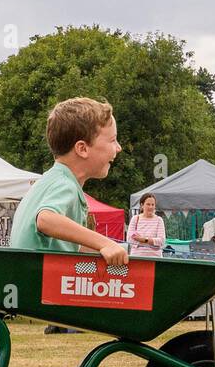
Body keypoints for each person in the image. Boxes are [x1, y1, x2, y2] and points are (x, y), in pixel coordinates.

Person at [8, 97, 128, 268]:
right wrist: (105, 243)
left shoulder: (51, 180)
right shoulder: (65, 185)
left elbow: (71, 247)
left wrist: (117, 248)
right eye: (112, 140)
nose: (118, 148)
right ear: (82, 149)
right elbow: (46, 220)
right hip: (39, 288)